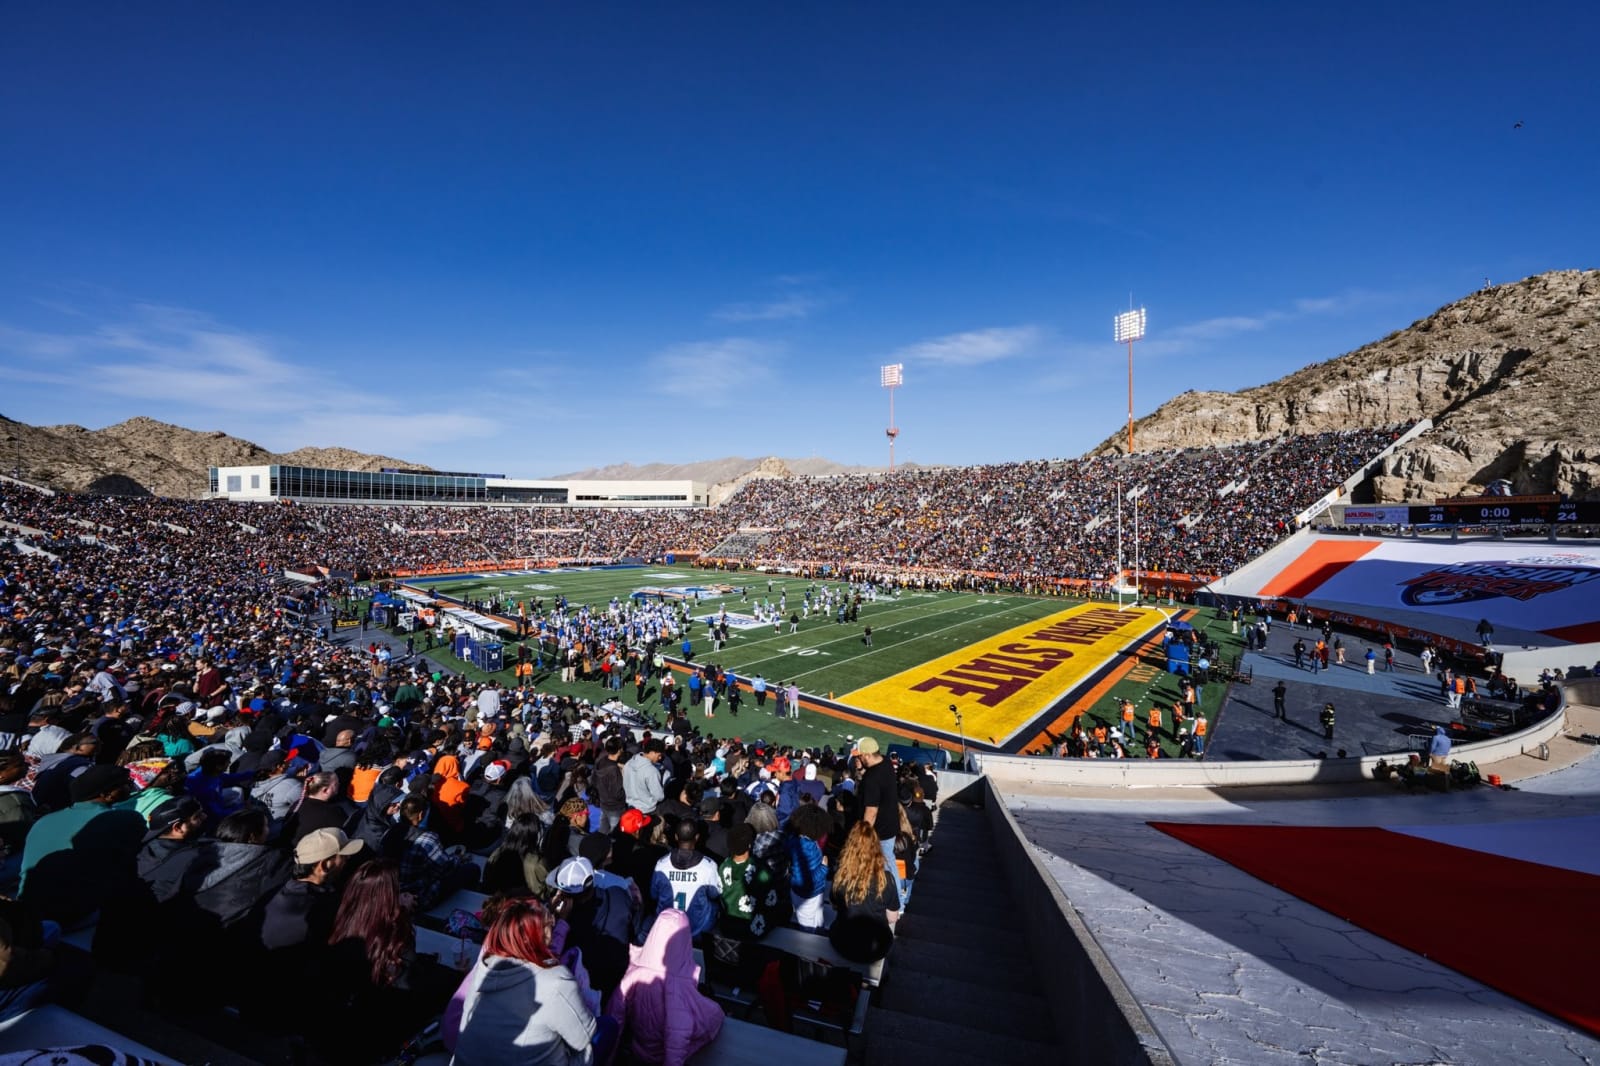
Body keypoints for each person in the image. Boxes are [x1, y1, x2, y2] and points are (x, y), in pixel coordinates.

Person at [449, 898, 598, 1066]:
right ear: (539, 936)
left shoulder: (483, 968)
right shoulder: (556, 982)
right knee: (605, 1030)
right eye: (550, 923)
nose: (553, 924)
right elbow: (583, 1037)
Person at [605, 907, 723, 1066]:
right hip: (659, 1059)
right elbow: (677, 1040)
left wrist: (608, 1059)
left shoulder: (633, 973)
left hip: (637, 1050)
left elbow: (614, 1016)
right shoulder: (677, 989)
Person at [828, 821, 900, 964]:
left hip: (843, 943)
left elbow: (835, 905)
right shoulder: (887, 879)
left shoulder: (840, 876)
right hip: (876, 947)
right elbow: (892, 918)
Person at [650, 818, 722, 940]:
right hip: (696, 931)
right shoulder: (708, 866)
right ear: (697, 837)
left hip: (666, 929)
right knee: (715, 905)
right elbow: (715, 894)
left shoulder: (661, 864)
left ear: (676, 837)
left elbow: (653, 895)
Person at [853, 736, 901, 899]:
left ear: (866, 755)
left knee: (887, 864)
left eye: (859, 756)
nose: (858, 759)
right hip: (890, 823)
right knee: (889, 862)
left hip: (880, 830)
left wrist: (862, 836)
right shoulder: (885, 763)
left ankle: (896, 902)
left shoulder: (872, 779)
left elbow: (871, 812)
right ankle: (897, 899)